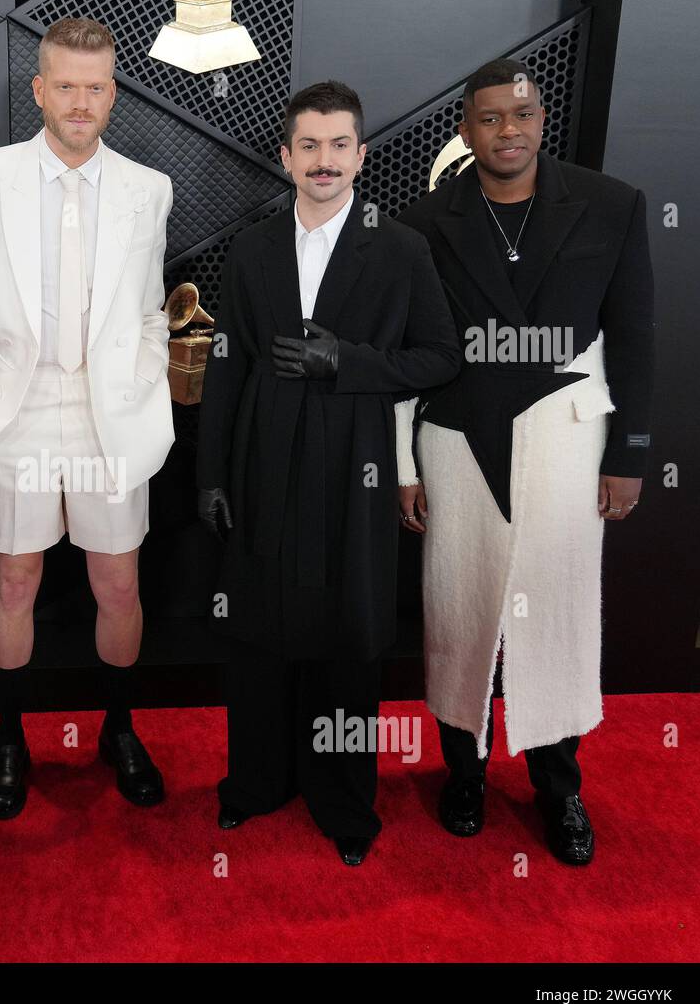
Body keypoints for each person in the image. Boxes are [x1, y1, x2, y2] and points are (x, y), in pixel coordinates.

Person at [396, 59, 654, 865]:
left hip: (567, 436)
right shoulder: (422, 221)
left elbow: (637, 335)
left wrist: (631, 451)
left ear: (543, 117)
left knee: (560, 614)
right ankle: (463, 773)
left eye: (524, 114)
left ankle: (558, 785)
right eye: (491, 119)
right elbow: (406, 348)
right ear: (466, 130)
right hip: (458, 435)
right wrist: (402, 463)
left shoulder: (611, 205)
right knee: (460, 606)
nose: (510, 131)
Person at [196, 81, 461, 865]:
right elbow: (226, 366)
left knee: (349, 630)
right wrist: (211, 473)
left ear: (361, 154)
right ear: (285, 156)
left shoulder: (402, 247)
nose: (323, 160)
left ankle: (345, 803)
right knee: (257, 629)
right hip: (261, 452)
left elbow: (441, 358)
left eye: (338, 144)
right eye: (308, 146)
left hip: (358, 464)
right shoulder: (250, 248)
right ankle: (255, 782)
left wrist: (346, 360)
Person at [0, 17, 175, 819]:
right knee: (14, 578)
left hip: (112, 415)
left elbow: (150, 313)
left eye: (96, 87)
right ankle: (10, 739)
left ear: (113, 93)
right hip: (15, 411)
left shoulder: (149, 188)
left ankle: (119, 729)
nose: (81, 102)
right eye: (65, 86)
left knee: (118, 581)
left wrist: (139, 382)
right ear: (39, 89)